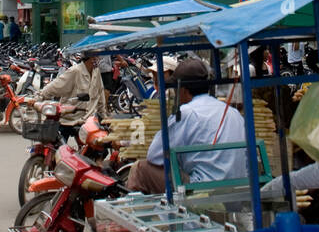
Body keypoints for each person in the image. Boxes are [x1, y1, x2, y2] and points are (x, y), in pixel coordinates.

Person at [128, 57, 247, 194]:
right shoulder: (232, 113)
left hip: (204, 190)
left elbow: (154, 156)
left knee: (140, 168)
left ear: (183, 90)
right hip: (240, 187)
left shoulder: (186, 113)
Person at [40, 54, 106, 139]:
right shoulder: (75, 71)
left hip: (88, 120)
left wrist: (104, 116)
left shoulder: (96, 71)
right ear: (91, 58)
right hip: (69, 119)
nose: (98, 60)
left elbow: (100, 93)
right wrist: (38, 97)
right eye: (97, 57)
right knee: (59, 144)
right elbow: (54, 87)